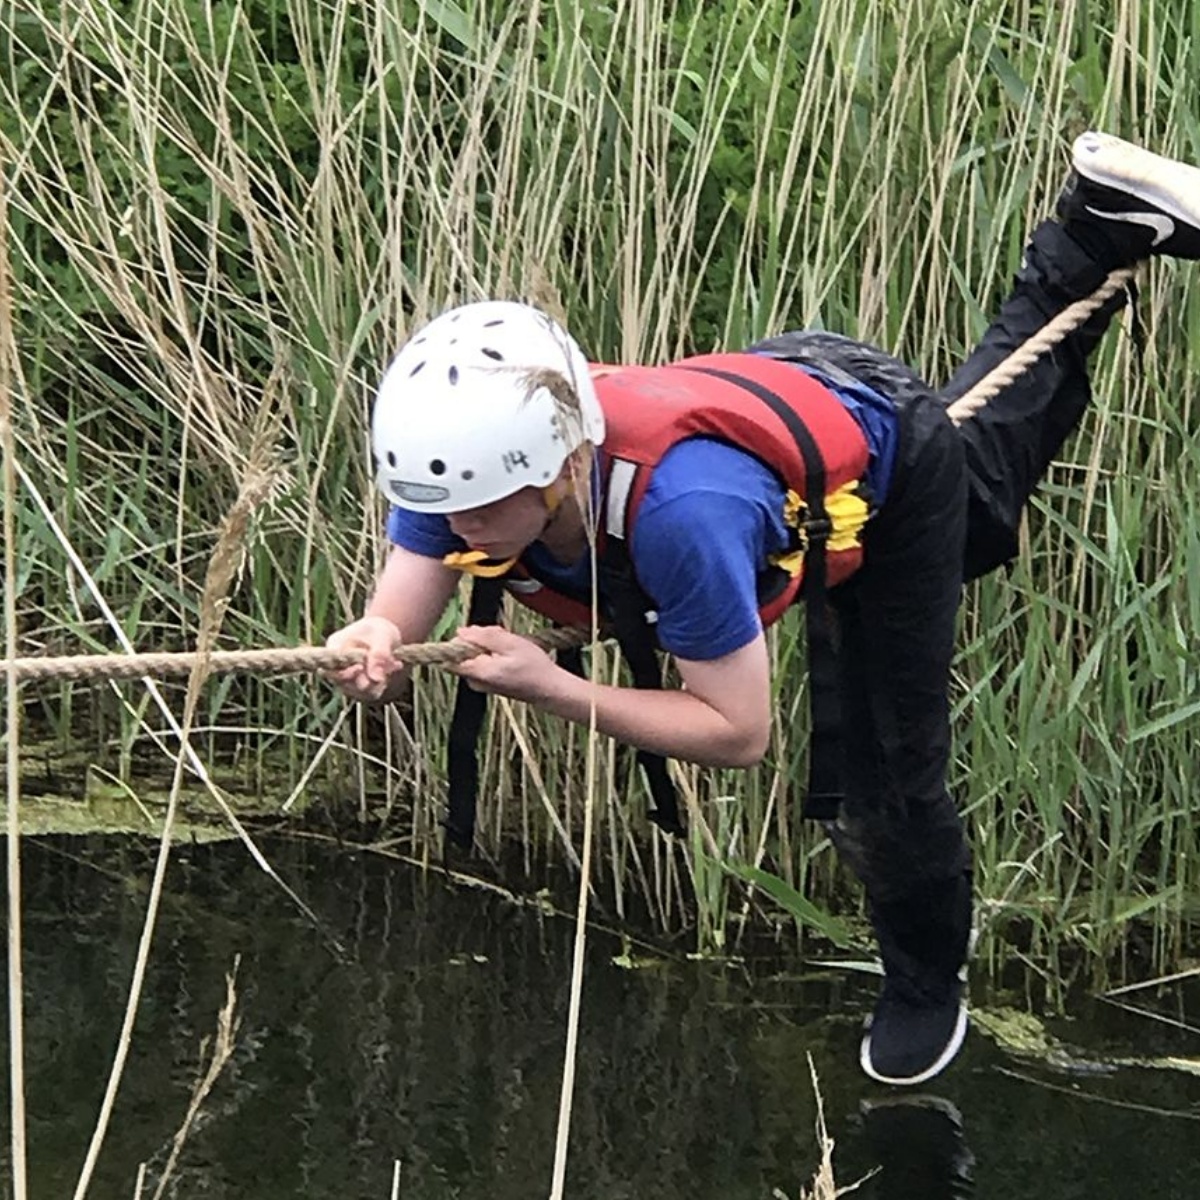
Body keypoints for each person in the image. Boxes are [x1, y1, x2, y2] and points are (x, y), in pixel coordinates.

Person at [325, 132, 1200, 1086]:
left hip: (886, 467)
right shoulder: (464, 460)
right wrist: (382, 632)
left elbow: (738, 732)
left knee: (887, 770)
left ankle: (923, 983)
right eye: (439, 506)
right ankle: (1094, 232)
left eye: (483, 508)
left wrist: (550, 688)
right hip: (795, 397)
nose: (458, 525)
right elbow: (420, 553)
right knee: (982, 513)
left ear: (568, 463)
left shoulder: (682, 521)